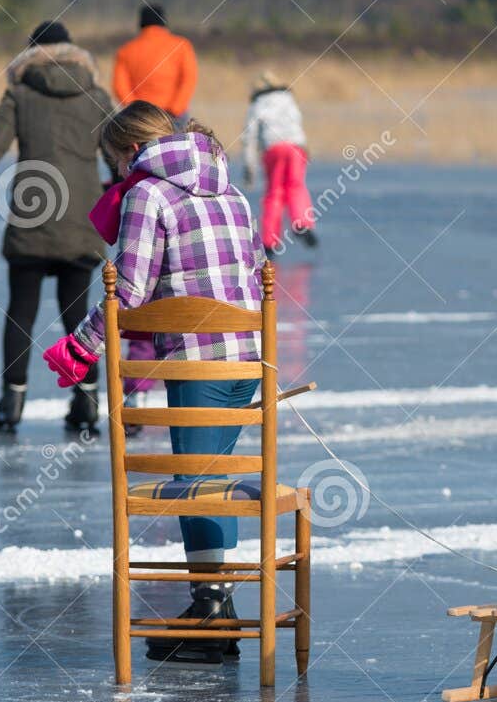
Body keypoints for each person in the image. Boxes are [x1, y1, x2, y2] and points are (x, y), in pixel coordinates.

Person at [42, 101, 263, 664]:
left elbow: (131, 290)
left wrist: (80, 347)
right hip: (246, 363)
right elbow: (253, 276)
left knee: (198, 484)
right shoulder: (231, 191)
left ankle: (211, 616)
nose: (115, 176)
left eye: (113, 163)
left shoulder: (149, 193)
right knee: (210, 481)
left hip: (196, 364)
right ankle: (215, 609)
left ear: (127, 152)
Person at [0, 21, 115, 433]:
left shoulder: (20, 93)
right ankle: (86, 402)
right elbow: (120, 155)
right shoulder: (97, 96)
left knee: (21, 313)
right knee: (78, 315)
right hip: (82, 222)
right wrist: (122, 200)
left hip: (33, 219)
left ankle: (12, 403)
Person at [239, 71, 315, 257]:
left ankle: (269, 242)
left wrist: (249, 169)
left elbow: (249, 138)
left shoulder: (256, 105)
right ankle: (302, 223)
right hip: (295, 147)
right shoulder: (288, 99)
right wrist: (304, 147)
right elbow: (296, 124)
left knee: (274, 193)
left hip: (273, 148)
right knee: (296, 185)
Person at [112, 4, 197, 127]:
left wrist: (135, 110)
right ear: (163, 22)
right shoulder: (182, 46)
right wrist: (175, 108)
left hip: (141, 117)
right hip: (174, 116)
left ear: (141, 24)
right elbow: (189, 79)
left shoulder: (126, 50)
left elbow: (120, 86)